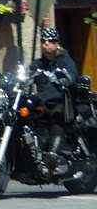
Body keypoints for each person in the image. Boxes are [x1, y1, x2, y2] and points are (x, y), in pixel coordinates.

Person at [33, 26, 81, 159]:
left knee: (57, 113)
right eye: (43, 41)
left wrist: (68, 79)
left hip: (62, 101)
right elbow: (27, 73)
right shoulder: (39, 63)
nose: (46, 43)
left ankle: (54, 154)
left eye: (50, 41)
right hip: (43, 101)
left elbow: (72, 74)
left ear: (57, 43)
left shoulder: (64, 59)